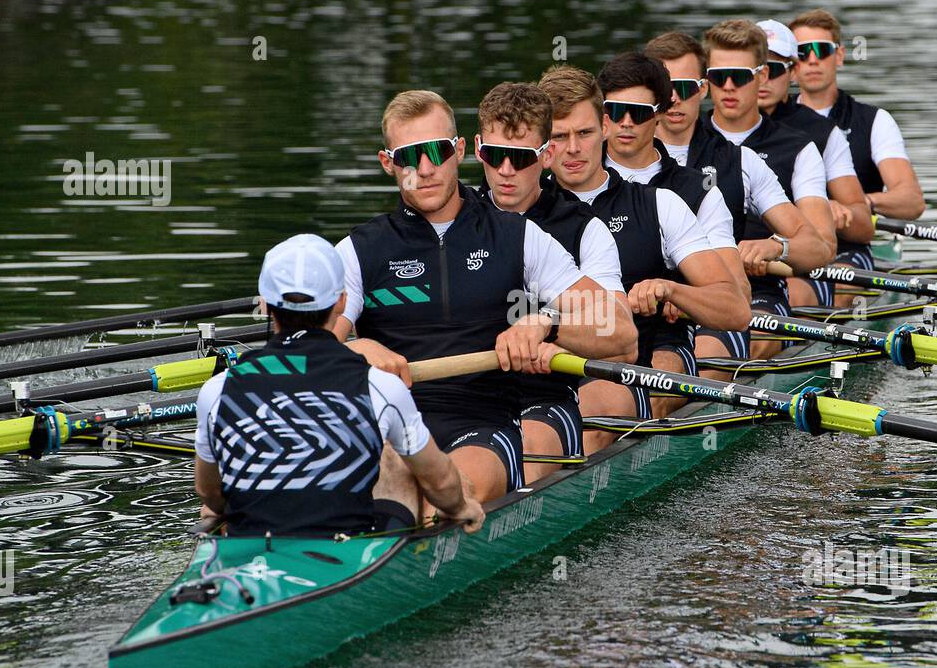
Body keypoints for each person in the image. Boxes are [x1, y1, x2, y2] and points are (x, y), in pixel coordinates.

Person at [334, 90, 636, 509]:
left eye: (437, 151)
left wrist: (546, 324)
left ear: (459, 151)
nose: (424, 169)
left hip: (481, 426)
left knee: (441, 499)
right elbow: (311, 347)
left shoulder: (518, 237)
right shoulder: (357, 250)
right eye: (409, 156)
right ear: (388, 163)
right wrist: (356, 348)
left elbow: (621, 333)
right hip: (388, 421)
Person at [194, 234, 484, 537]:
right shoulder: (381, 386)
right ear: (341, 301)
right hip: (345, 551)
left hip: (253, 547)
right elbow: (440, 483)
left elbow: (208, 491)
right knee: (396, 459)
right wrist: (462, 508)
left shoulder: (217, 389)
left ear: (265, 305)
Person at [538, 63, 750, 447]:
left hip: (643, 363)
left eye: (584, 133)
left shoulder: (661, 205)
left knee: (594, 415)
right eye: (558, 136)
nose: (572, 149)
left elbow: (736, 310)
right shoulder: (518, 212)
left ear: (604, 127)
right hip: (543, 367)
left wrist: (672, 291)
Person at [475, 80, 635, 482]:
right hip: (465, 390)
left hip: (547, 391)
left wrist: (552, 329)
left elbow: (621, 339)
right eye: (495, 157)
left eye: (521, 158)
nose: (506, 171)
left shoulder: (585, 230)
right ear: (478, 151)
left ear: (546, 156)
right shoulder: (455, 220)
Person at [644, 30, 833, 370]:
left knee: (701, 361)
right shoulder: (611, 165)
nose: (673, 100)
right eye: (664, 91)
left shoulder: (742, 161)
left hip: (737, 300)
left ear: (701, 89)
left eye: (685, 88)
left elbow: (818, 248)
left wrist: (777, 247)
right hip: (650, 308)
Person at [699, 18, 839, 356]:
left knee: (718, 350)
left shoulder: (798, 148)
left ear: (761, 76)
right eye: (719, 77)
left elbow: (822, 247)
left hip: (762, 290)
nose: (729, 87)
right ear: (706, 83)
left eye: (741, 76)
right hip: (692, 289)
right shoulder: (686, 143)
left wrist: (778, 248)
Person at [757, 18, 875, 306]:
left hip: (804, 265)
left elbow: (864, 226)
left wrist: (830, 208)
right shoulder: (707, 134)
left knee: (794, 296)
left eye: (771, 70)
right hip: (738, 263)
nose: (761, 81)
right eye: (751, 72)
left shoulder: (820, 133)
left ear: (793, 72)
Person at [790, 8, 925, 226]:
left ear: (840, 56)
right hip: (788, 243)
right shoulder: (773, 118)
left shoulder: (874, 121)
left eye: (822, 50)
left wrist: (858, 203)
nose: (813, 60)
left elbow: (912, 201)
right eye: (803, 52)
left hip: (850, 239)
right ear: (791, 64)